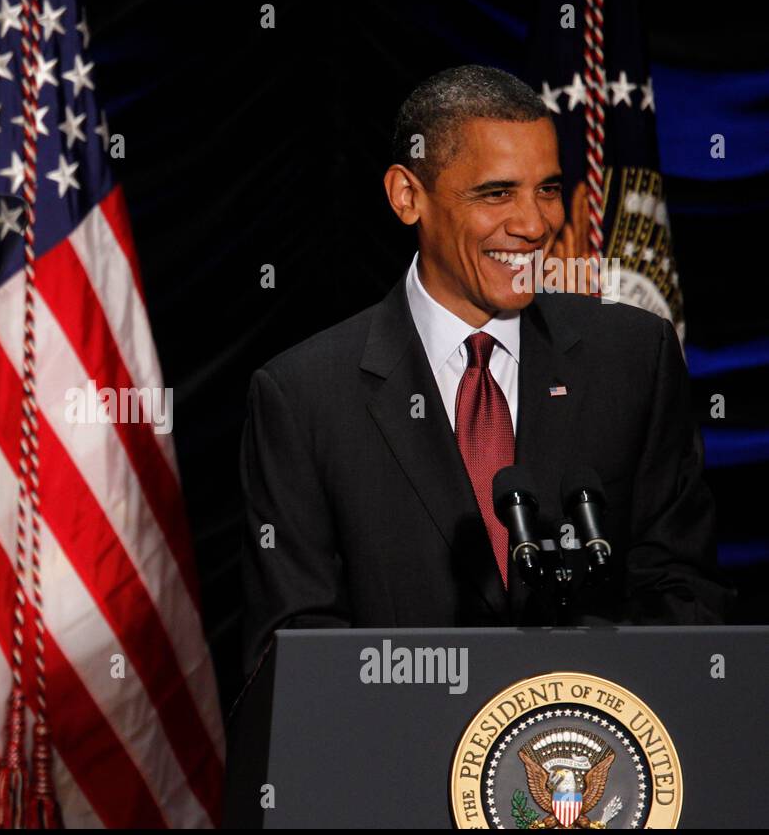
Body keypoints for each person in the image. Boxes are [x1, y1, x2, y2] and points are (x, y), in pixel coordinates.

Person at [239, 65, 731, 673]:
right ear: (407, 196)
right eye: (497, 193)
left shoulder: (635, 358)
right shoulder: (304, 397)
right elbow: (295, 652)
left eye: (547, 189)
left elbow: (684, 597)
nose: (534, 224)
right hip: (400, 759)